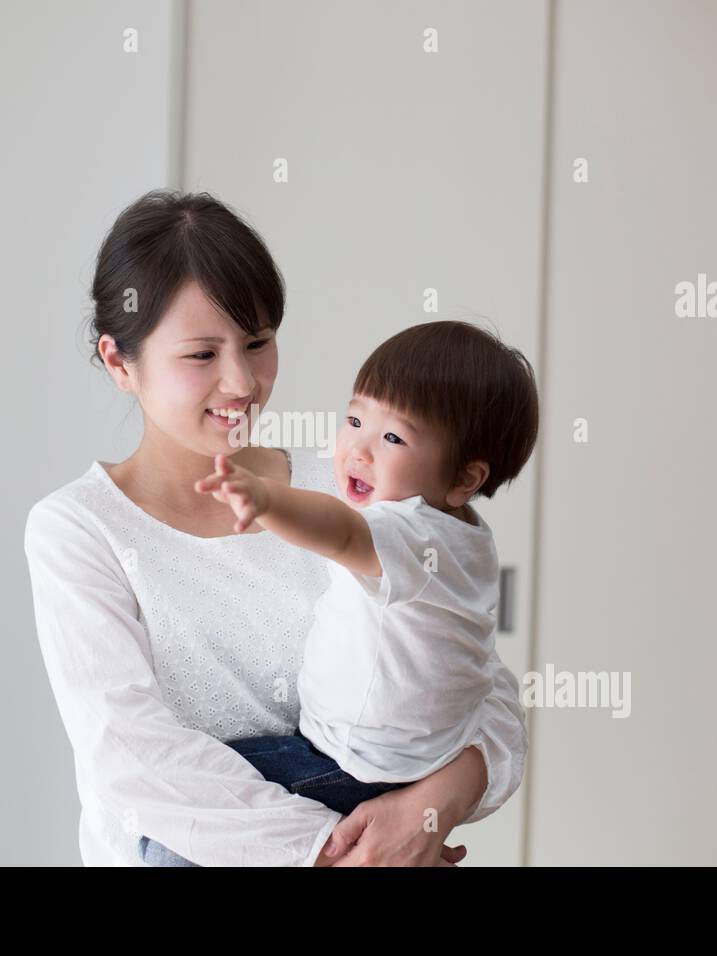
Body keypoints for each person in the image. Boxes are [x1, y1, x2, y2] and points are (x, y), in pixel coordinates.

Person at [23, 189, 528, 866]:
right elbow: (131, 757)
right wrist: (339, 855)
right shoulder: (80, 529)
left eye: (257, 343)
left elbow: (480, 686)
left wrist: (430, 807)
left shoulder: (355, 488)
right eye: (202, 355)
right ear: (119, 363)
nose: (242, 383)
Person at [137, 320, 539, 866]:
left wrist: (266, 500)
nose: (358, 450)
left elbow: (344, 532)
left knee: (180, 832)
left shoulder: (411, 533)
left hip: (354, 766)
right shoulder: (466, 538)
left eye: (393, 438)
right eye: (354, 420)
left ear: (465, 480)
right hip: (389, 763)